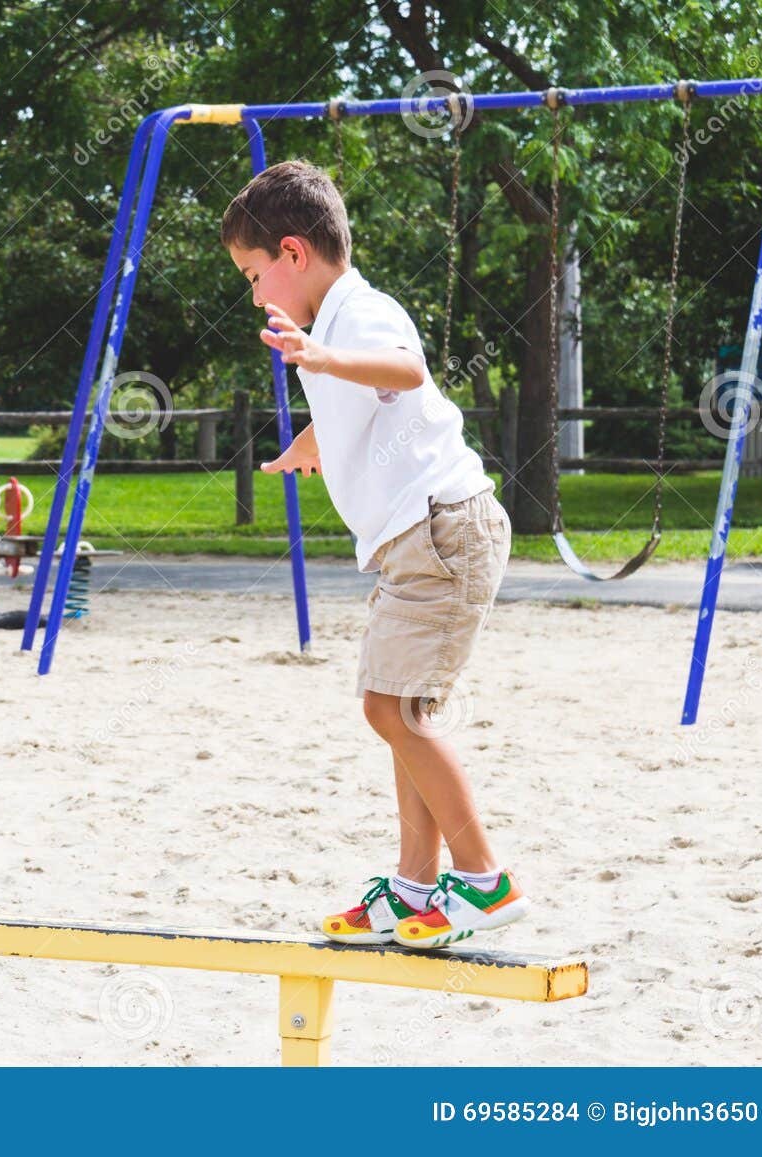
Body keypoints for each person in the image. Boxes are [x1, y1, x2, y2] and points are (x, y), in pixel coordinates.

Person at [221, 160, 526, 949]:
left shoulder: (357, 314)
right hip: (418, 541)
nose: (255, 295)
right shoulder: (330, 328)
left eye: (256, 275)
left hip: (443, 532)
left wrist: (320, 363)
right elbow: (364, 402)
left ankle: (486, 880)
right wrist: (306, 445)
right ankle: (412, 887)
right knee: (403, 708)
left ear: (294, 253)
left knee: (386, 708)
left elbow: (406, 370)